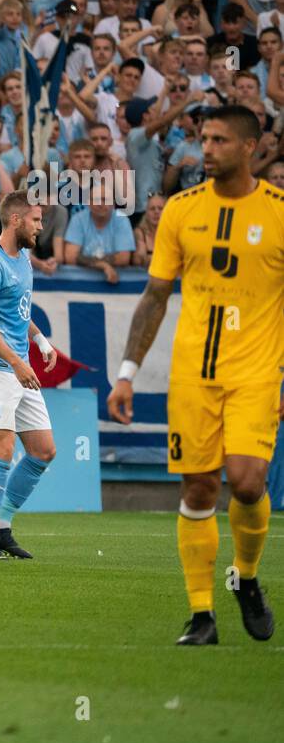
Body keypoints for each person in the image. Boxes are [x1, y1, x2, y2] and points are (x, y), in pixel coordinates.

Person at [107, 104, 282, 646]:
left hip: (256, 371)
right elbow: (155, 295)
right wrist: (127, 373)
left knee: (248, 482)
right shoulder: (181, 210)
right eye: (203, 138)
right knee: (199, 487)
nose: (205, 148)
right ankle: (201, 614)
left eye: (219, 140)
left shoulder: (279, 210)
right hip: (193, 374)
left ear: (250, 147)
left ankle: (246, 577)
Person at [0, 190, 59, 562]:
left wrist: (40, 339)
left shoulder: (23, 258)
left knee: (42, 450)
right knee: (2, 448)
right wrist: (18, 364)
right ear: (17, 220)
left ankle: (3, 527)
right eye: (36, 220)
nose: (41, 226)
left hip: (19, 366)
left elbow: (18, 310)